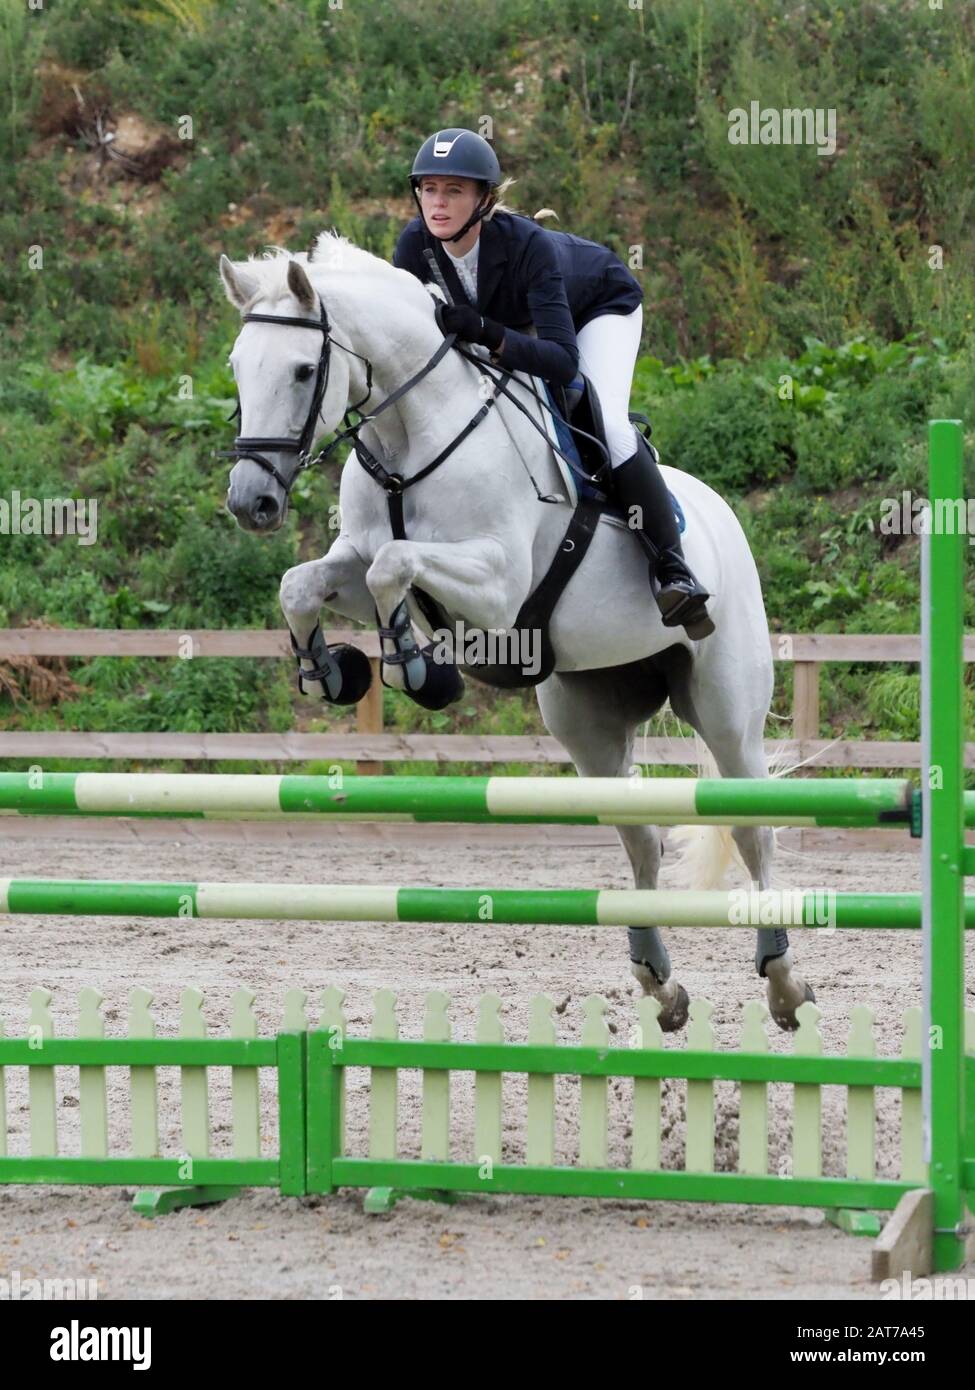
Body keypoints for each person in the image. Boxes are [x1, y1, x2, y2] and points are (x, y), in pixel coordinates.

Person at [392, 127, 713, 638]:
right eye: (429, 189)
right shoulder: (414, 247)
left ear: (484, 199)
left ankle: (672, 569)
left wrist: (485, 332)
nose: (438, 203)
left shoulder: (527, 246)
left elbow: (563, 362)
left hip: (598, 308)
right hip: (520, 327)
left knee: (606, 424)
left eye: (454, 190)